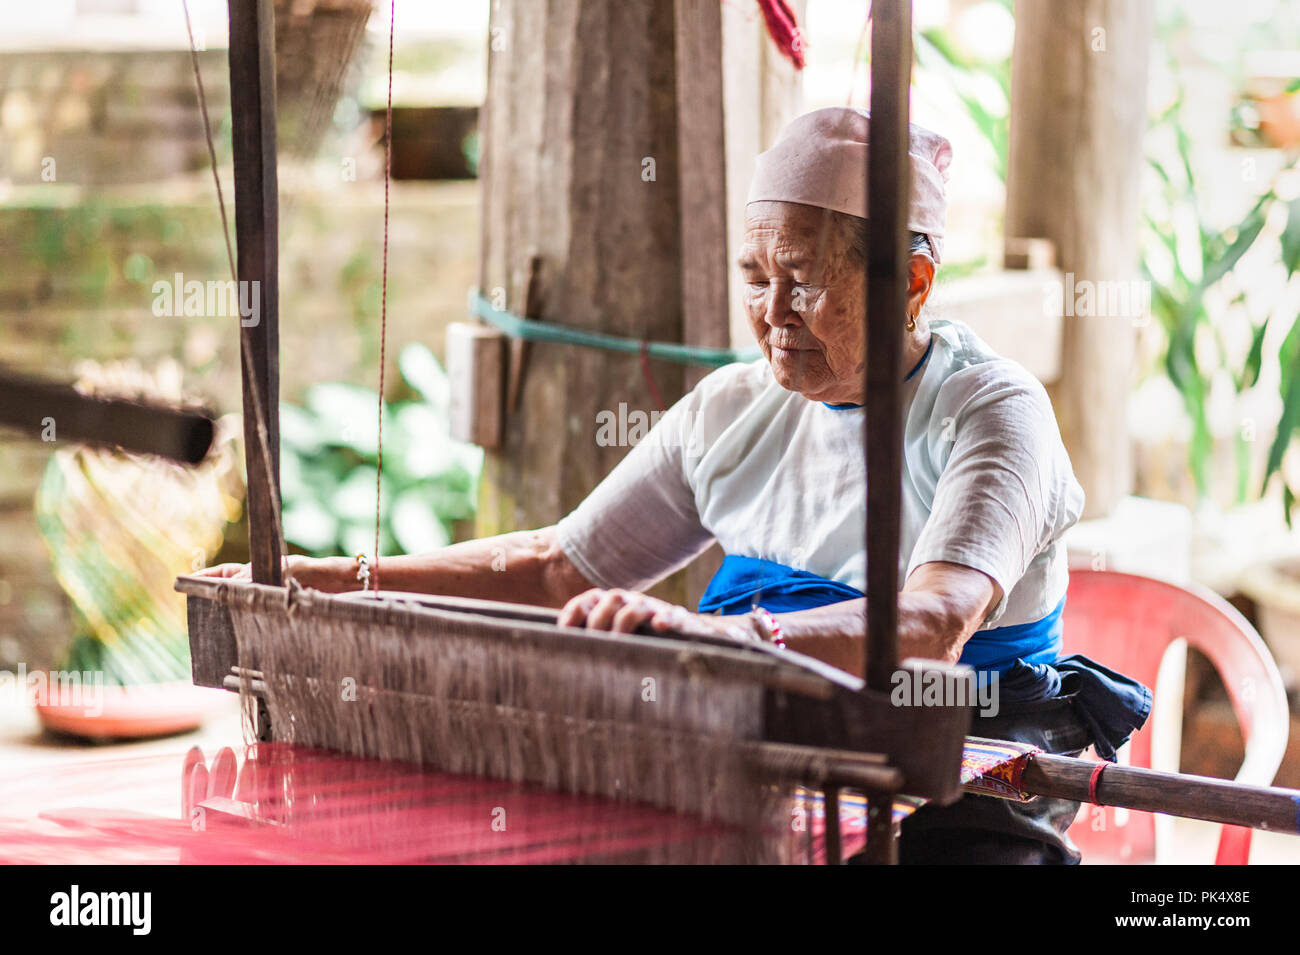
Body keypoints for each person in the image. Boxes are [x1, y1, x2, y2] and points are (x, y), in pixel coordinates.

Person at [201, 107, 1149, 863]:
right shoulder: (732, 409)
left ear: (910, 280)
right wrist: (325, 581)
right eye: (755, 276)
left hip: (955, 781)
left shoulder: (990, 411)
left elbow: (936, 620)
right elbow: (553, 568)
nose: (773, 312)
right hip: (762, 761)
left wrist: (730, 642)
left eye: (806, 280)